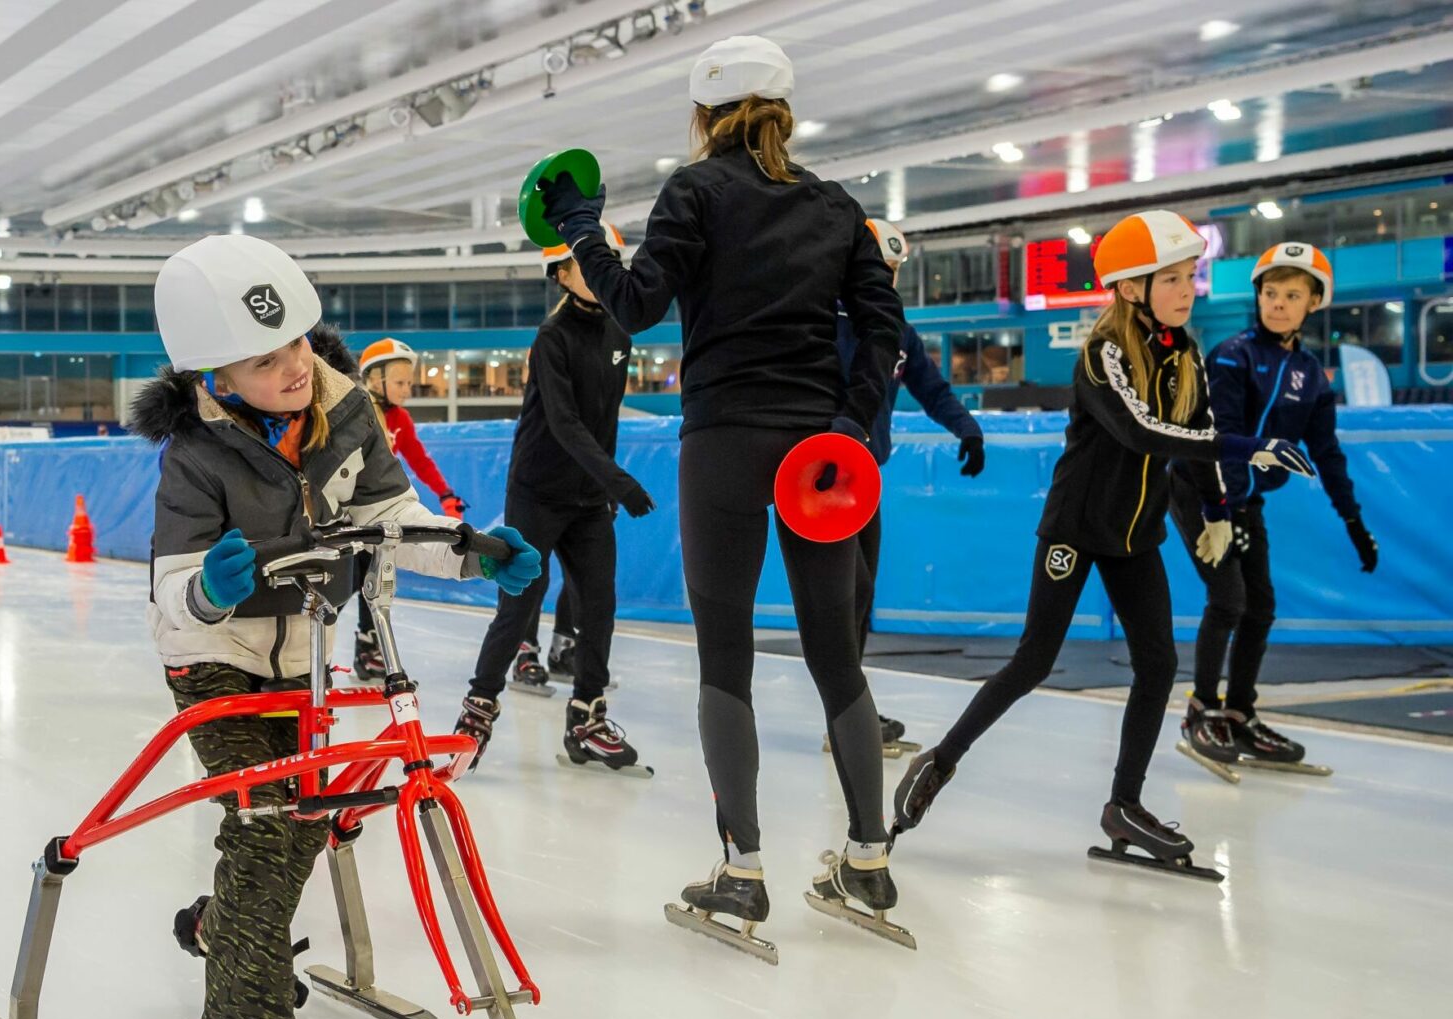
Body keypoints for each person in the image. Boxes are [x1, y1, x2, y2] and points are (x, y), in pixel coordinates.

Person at [127, 234, 537, 1019]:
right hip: (217, 665)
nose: (295, 368)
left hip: (307, 658)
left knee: (299, 822)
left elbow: (396, 519)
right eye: (266, 361)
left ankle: (222, 925)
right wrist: (208, 589)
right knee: (273, 819)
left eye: (301, 344)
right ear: (218, 379)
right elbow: (169, 593)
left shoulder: (350, 416)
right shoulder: (195, 455)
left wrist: (476, 555)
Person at [537, 35, 908, 945]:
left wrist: (583, 221)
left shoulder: (696, 191)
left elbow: (633, 304)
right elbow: (885, 330)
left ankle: (742, 873)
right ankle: (868, 863)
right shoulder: (834, 205)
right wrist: (851, 427)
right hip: (818, 452)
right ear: (785, 111)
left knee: (726, 659)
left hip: (727, 446)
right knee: (835, 654)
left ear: (705, 117)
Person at [889, 211, 1315, 880]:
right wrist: (1252, 446)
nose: (1187, 290)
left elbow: (1196, 432)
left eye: (1189, 277)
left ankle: (1124, 804)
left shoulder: (1187, 352)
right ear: (1128, 289)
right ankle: (938, 761)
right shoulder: (1103, 355)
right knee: (1033, 660)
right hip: (1078, 529)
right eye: (1170, 279)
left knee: (1157, 665)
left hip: (1135, 536)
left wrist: (1214, 510)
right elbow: (1144, 433)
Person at [453, 223, 652, 772]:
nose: (597, 272)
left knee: (601, 606)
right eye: (585, 265)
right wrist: (620, 480)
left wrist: (605, 492)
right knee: (519, 604)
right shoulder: (553, 336)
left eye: (605, 261)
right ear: (562, 275)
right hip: (538, 494)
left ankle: (586, 716)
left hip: (590, 500)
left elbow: (604, 418)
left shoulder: (619, 331)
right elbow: (564, 424)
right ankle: (478, 710)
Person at [1171, 242, 1374, 769]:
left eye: (1291, 294)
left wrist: (1353, 521)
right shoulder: (1233, 355)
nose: (1277, 303)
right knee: (1229, 598)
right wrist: (1228, 508)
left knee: (1261, 606)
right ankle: (1201, 711)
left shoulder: (1312, 375)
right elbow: (1224, 438)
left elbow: (1326, 454)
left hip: (1246, 499)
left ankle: (1240, 714)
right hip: (1200, 487)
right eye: (1269, 292)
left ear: (1313, 303)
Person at [840, 219, 986, 753]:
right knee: (846, 594)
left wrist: (966, 426)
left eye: (896, 271)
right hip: (822, 477)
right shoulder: (822, 321)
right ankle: (847, 716)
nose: (889, 280)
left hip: (865, 479)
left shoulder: (897, 329)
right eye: (881, 269)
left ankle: (848, 711)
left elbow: (930, 385)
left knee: (861, 598)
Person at [349, 336, 467, 681]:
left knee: (374, 579)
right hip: (348, 514)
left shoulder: (399, 417)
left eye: (409, 382)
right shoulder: (356, 412)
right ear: (374, 379)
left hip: (377, 512)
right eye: (400, 382)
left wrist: (446, 493)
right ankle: (319, 652)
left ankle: (367, 647)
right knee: (345, 584)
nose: (407, 389)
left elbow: (419, 458)